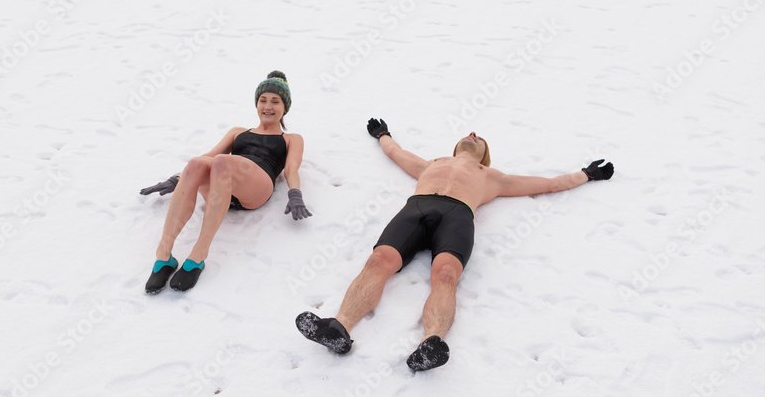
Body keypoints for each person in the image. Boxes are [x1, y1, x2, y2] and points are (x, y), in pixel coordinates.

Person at [295, 118, 614, 372]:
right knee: (379, 260)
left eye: (480, 138)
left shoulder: (493, 176)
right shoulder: (431, 163)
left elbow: (547, 184)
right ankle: (338, 328)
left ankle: (430, 344)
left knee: (446, 273)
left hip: (457, 216)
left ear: (484, 155)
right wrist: (384, 135)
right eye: (468, 133)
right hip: (416, 208)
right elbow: (398, 154)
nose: (472, 133)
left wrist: (585, 174)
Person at [140, 71, 310, 293]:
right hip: (221, 189)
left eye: (275, 101)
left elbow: (291, 168)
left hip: (255, 188)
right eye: (263, 100)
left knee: (222, 161)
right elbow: (208, 157)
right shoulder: (238, 132)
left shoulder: (291, 138)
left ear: (284, 107)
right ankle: (163, 256)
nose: (268, 106)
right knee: (197, 162)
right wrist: (178, 179)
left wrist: (295, 193)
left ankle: (199, 254)